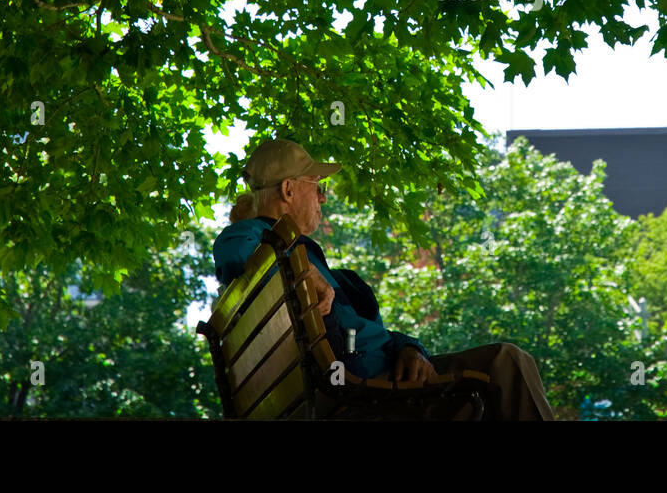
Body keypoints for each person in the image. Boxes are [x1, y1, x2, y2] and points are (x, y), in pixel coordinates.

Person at [213, 138, 555, 420]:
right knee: (506, 364)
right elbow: (234, 253)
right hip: (362, 398)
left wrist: (408, 347)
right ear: (288, 190)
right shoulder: (251, 236)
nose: (323, 197)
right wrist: (298, 269)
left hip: (370, 383)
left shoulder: (310, 261)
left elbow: (364, 332)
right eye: (316, 185)